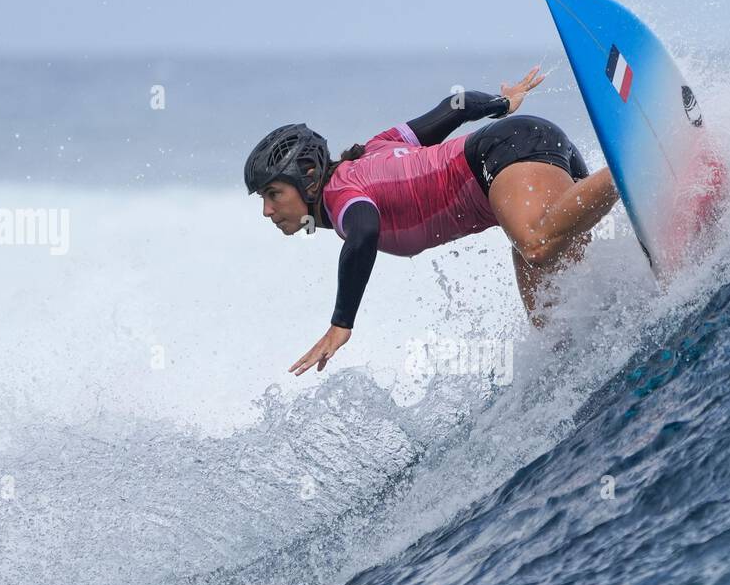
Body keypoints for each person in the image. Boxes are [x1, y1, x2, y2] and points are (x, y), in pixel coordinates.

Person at [243, 66, 620, 376]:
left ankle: (633, 159)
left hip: (503, 153)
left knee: (535, 242)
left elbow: (364, 234)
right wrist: (503, 102)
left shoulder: (341, 195)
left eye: (273, 194)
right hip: (523, 149)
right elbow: (455, 107)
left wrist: (341, 323)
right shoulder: (377, 146)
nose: (267, 211)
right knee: (557, 334)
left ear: (308, 175)